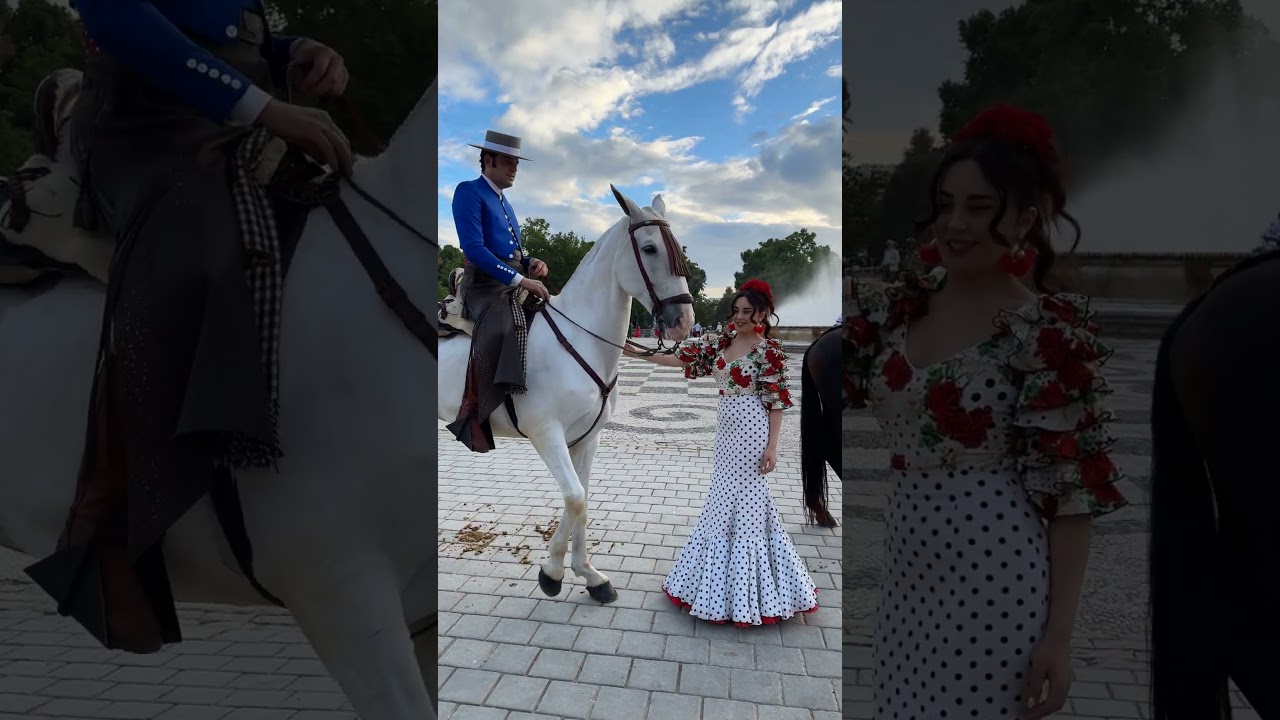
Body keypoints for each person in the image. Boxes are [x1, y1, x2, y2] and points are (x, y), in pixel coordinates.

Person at [24, 0, 355, 654]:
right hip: (141, 123)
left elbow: (221, 23)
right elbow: (121, 18)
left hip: (227, 120)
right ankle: (106, 522)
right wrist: (262, 103)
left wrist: (293, 52)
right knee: (196, 250)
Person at [843, 104, 1127, 720]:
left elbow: (1071, 500)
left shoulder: (1045, 332)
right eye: (946, 204)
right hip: (903, 579)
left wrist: (1059, 638)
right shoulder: (901, 311)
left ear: (1025, 219)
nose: (955, 224)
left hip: (996, 576)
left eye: (978, 207)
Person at [626, 279, 818, 626]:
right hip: (726, 434)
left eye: (747, 311)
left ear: (763, 313)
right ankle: (714, 582)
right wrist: (636, 353)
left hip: (752, 431)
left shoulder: (768, 352)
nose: (740, 316)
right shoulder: (720, 342)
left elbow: (776, 403)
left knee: (747, 501)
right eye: (737, 310)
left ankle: (750, 592)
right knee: (723, 499)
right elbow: (679, 357)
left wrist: (773, 446)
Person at [445, 130, 549, 452]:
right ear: (487, 160)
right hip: (483, 285)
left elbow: (512, 253)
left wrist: (531, 263)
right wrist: (520, 280)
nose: (514, 168)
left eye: (516, 162)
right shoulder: (469, 192)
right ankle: (472, 412)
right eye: (508, 161)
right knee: (505, 324)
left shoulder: (506, 203)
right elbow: (475, 249)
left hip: (508, 279)